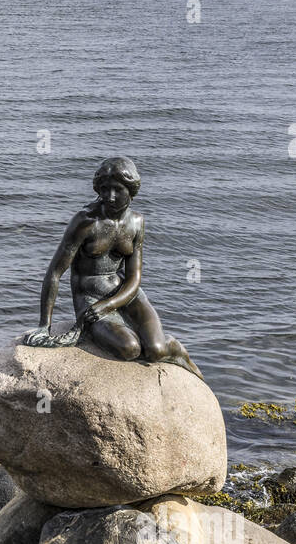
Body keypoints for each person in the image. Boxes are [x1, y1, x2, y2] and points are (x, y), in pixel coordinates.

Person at [23, 157, 201, 378]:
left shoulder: (136, 222)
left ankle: (174, 348)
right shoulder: (85, 222)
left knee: (156, 350)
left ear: (132, 189)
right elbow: (55, 273)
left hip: (125, 293)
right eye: (105, 189)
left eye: (117, 189)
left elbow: (134, 278)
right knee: (130, 349)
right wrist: (44, 325)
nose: (110, 196)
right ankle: (101, 332)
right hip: (90, 298)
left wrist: (109, 305)